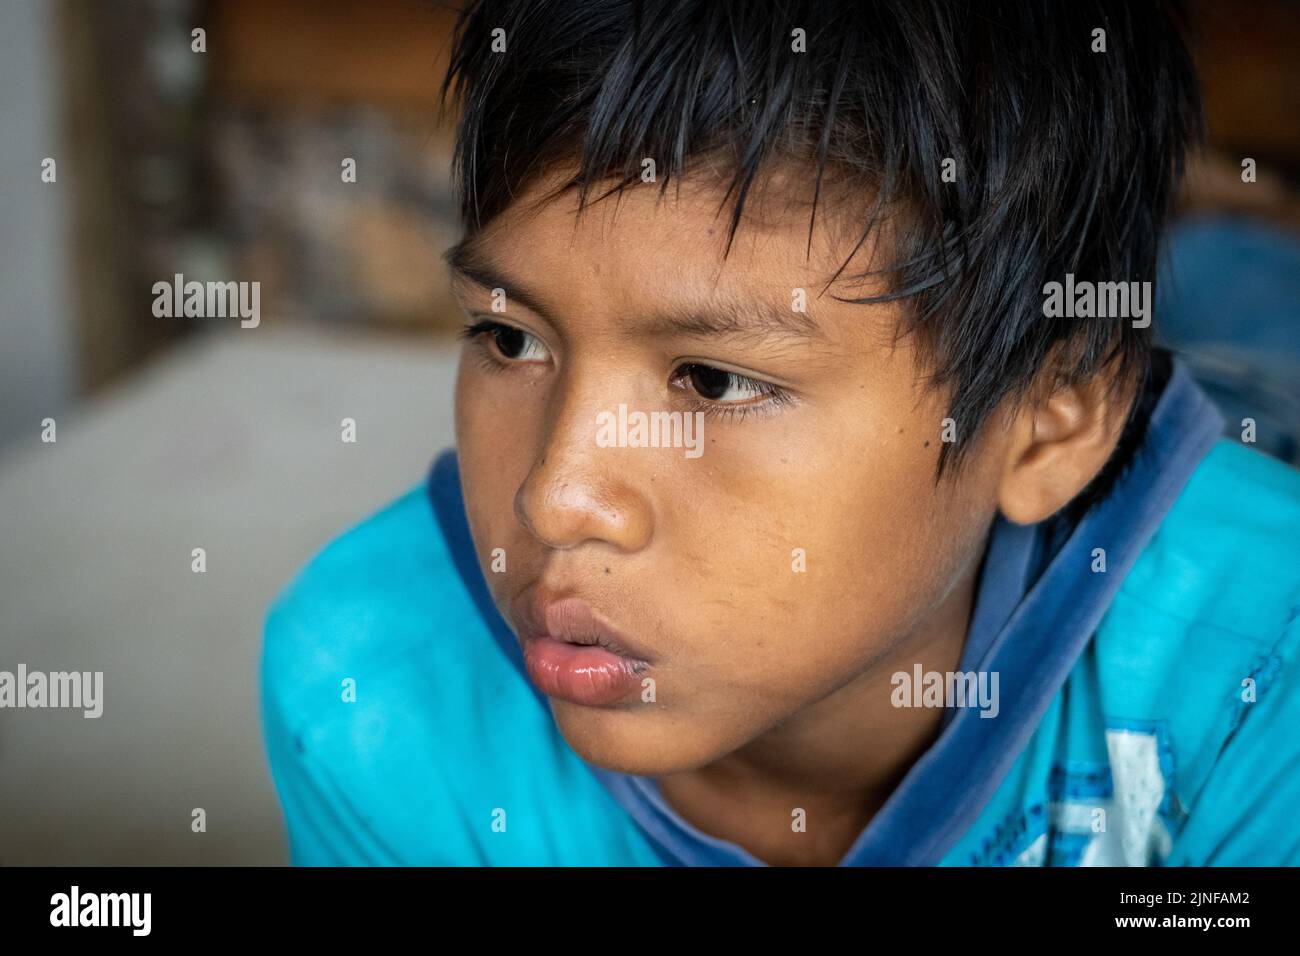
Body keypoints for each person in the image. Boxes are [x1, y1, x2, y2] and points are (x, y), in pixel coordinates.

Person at [260, 0, 1300, 866]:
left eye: (714, 379)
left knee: (1248, 306)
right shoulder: (371, 694)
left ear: (1044, 427)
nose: (556, 497)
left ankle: (1218, 228)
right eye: (507, 334)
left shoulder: (1261, 655)